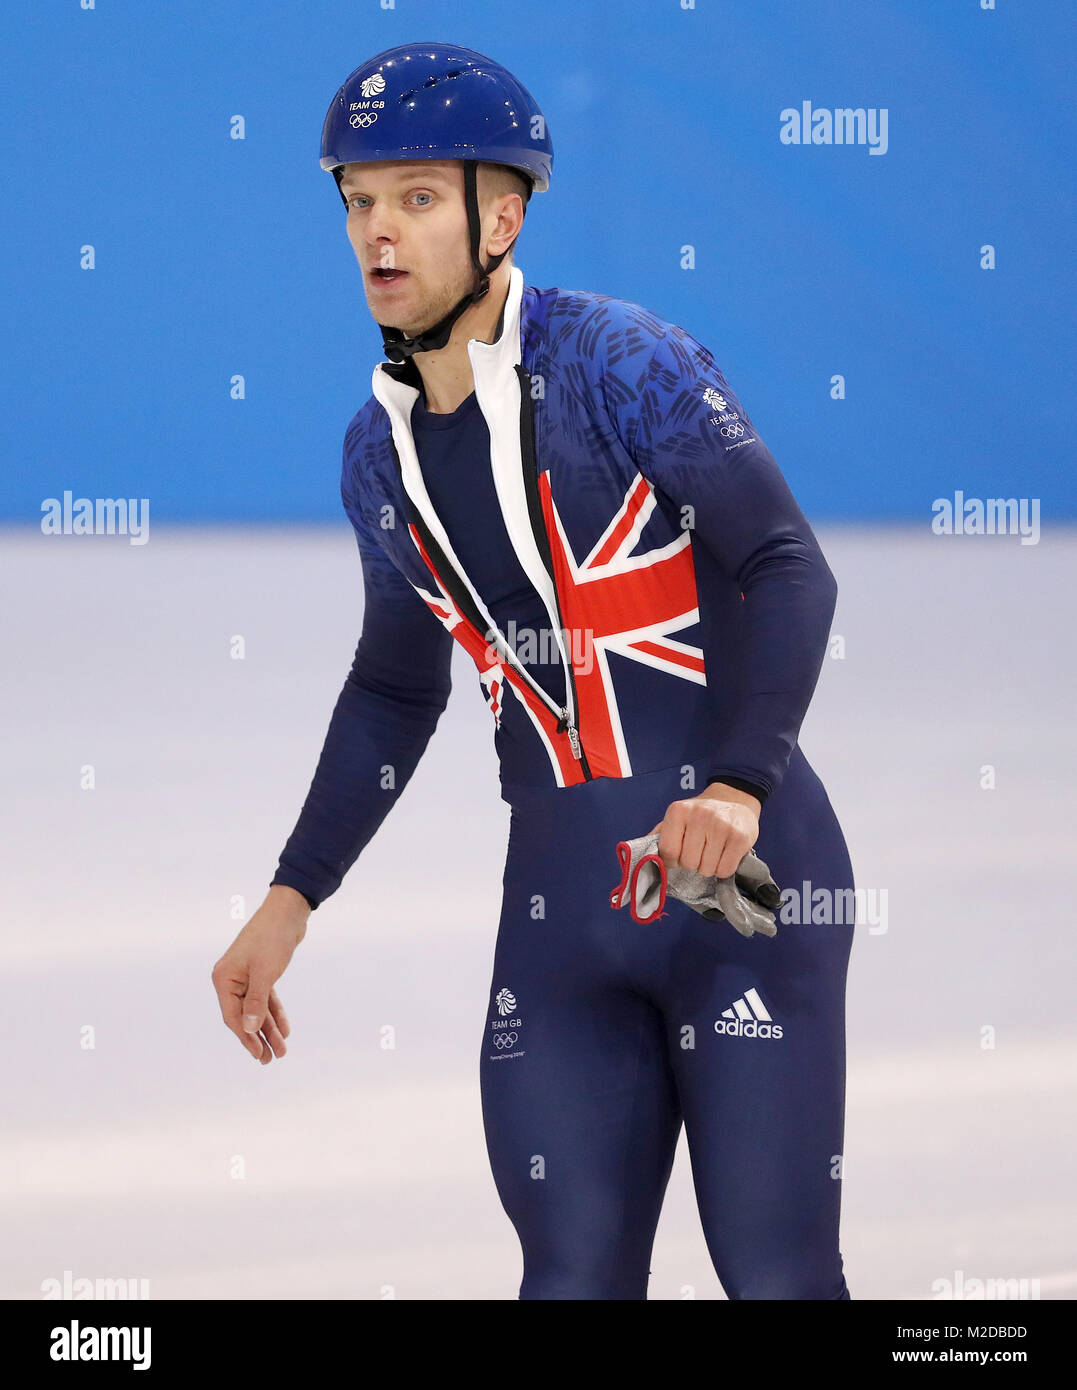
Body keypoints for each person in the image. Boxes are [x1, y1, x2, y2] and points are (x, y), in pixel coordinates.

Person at [211, 41, 856, 1301]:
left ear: (500, 215)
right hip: (564, 919)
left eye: (415, 198)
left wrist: (737, 786)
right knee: (567, 1280)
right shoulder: (376, 453)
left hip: (744, 889)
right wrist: (293, 896)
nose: (377, 234)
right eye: (358, 201)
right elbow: (397, 691)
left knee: (778, 1279)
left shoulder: (624, 365)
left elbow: (789, 566)